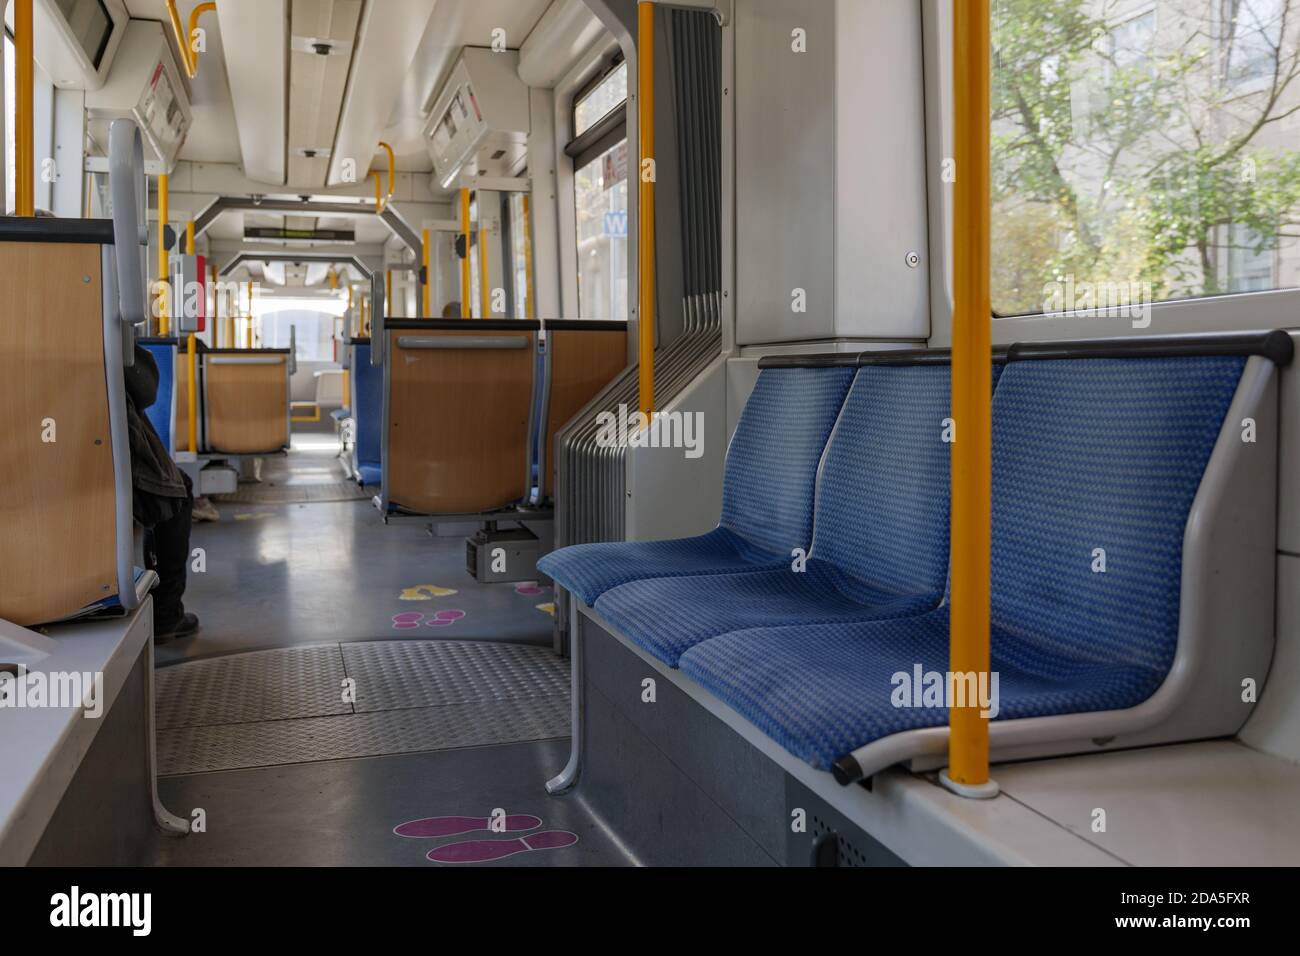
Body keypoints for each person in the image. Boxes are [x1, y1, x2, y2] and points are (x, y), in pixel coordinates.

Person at [124, 343, 200, 642]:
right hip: (102, 467)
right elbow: (146, 388)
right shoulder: (97, 325)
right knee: (177, 491)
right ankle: (166, 613)